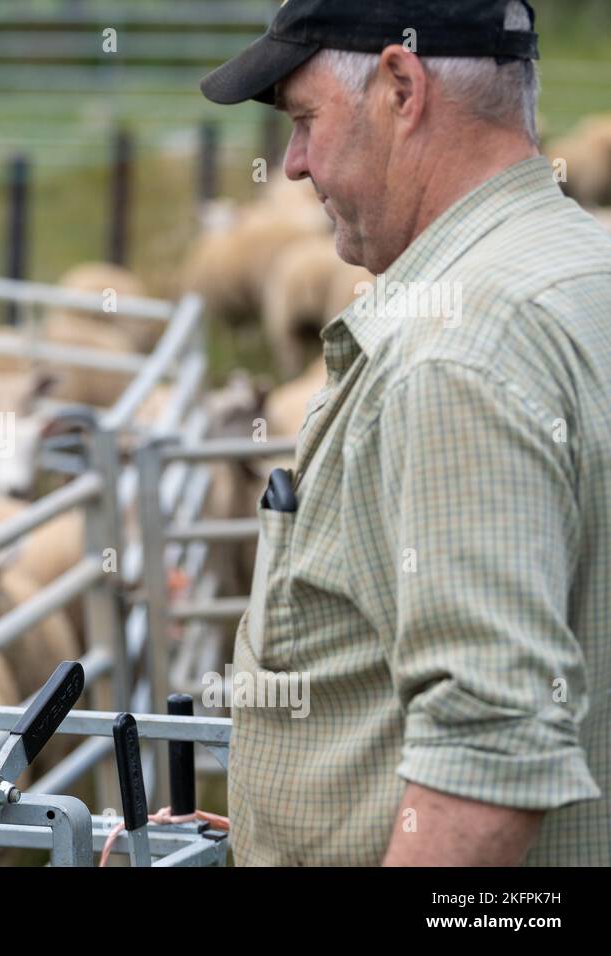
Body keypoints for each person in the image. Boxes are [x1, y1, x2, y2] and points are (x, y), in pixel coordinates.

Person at [200, 0, 609, 864]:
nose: (296, 164)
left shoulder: (451, 359)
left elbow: (486, 759)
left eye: (305, 120)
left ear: (400, 86)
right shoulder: (584, 270)